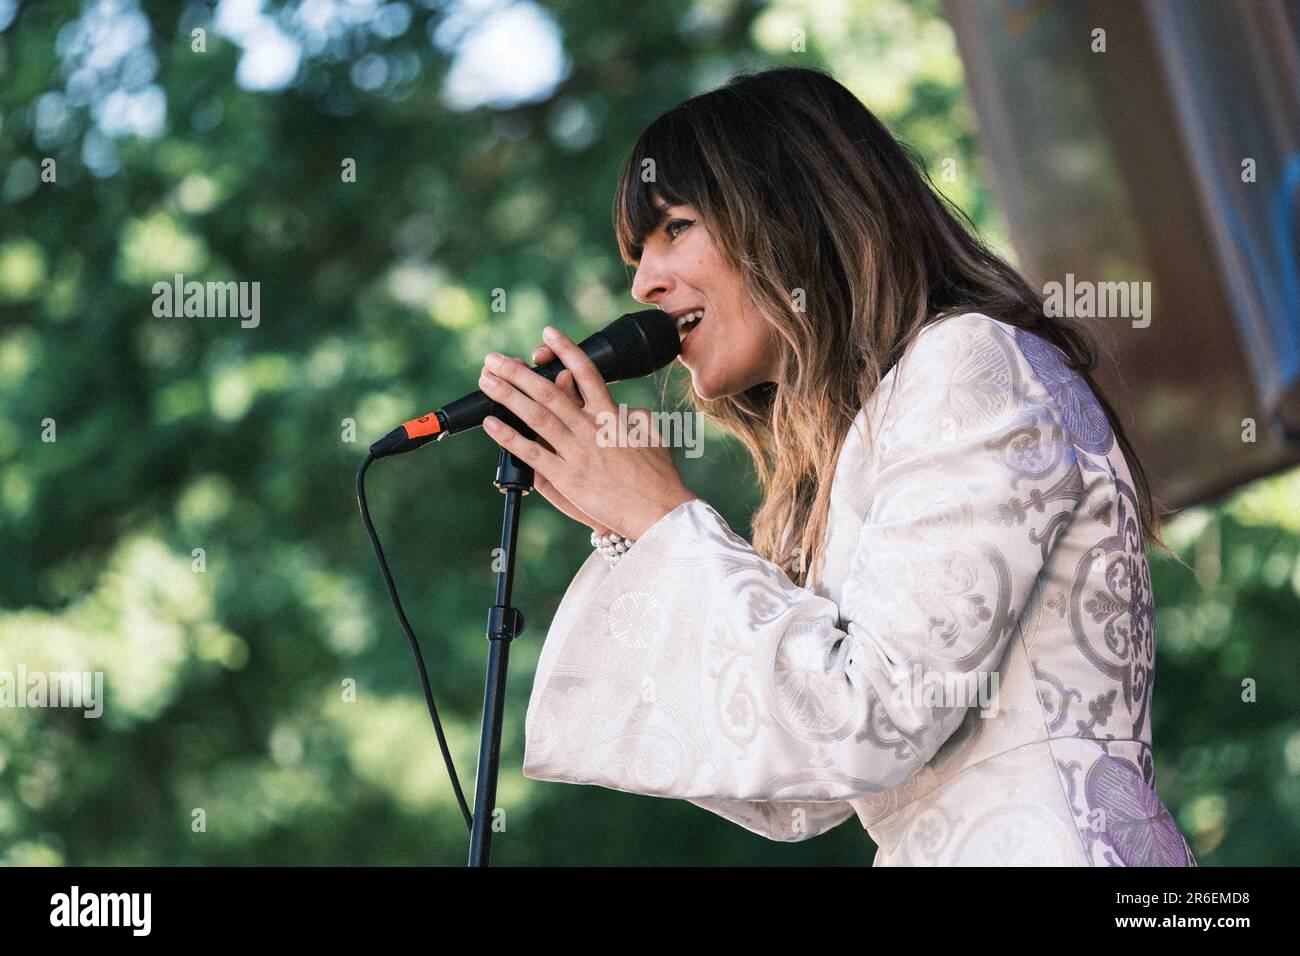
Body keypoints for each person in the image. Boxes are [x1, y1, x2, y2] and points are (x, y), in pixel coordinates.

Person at [473, 67, 1196, 866]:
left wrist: (661, 519)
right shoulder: (867, 437)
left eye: (675, 227)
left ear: (794, 216)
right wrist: (637, 536)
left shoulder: (968, 365)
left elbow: (870, 721)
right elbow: (803, 789)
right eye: (637, 253)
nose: (644, 281)